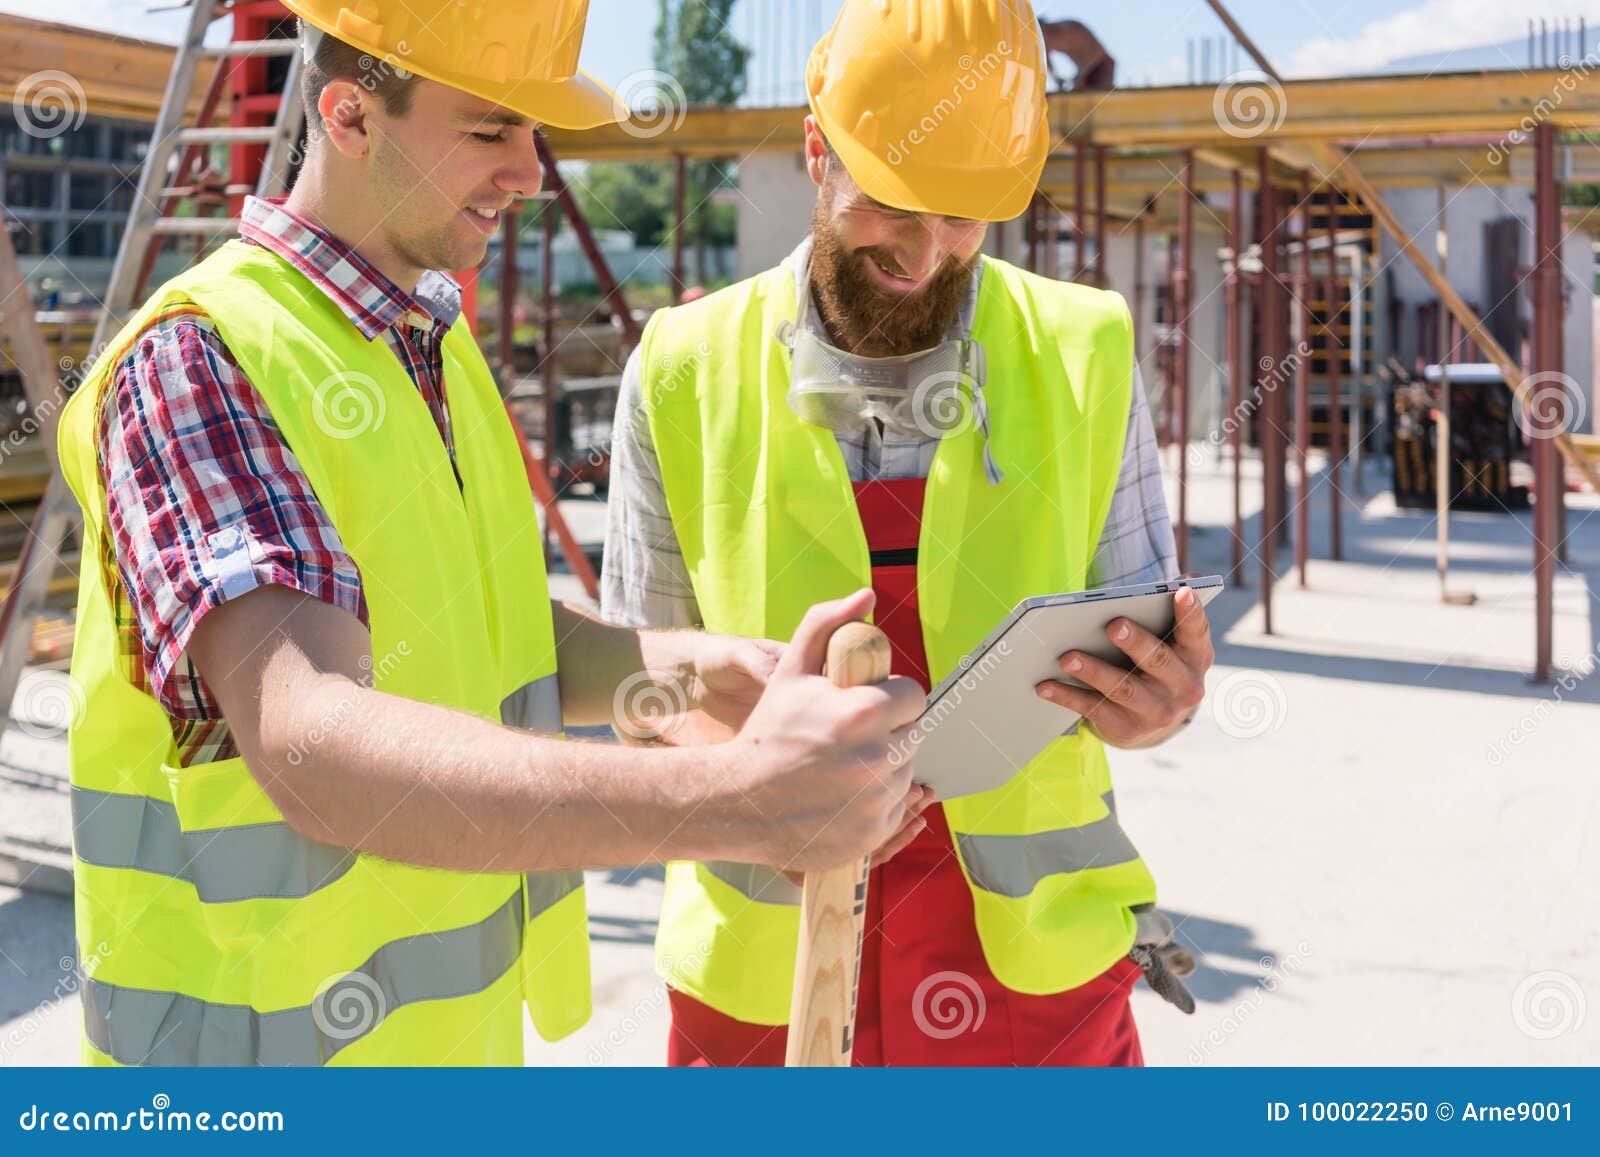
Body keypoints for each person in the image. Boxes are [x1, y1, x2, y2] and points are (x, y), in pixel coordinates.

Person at [57, 0, 926, 1067]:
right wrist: (735, 803)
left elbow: (489, 634)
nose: (529, 171)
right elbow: (308, 737)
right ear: (350, 115)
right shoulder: (199, 356)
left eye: (534, 132)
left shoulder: (425, 342)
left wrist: (703, 671)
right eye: (490, 130)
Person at [602, 0, 1213, 1067]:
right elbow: (632, 684)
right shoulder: (680, 364)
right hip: (764, 973)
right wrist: (754, 800)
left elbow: (1132, 667)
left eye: (965, 219)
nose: (929, 253)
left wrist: (1156, 707)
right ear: (815, 151)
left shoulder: (1084, 349)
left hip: (1032, 984)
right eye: (897, 206)